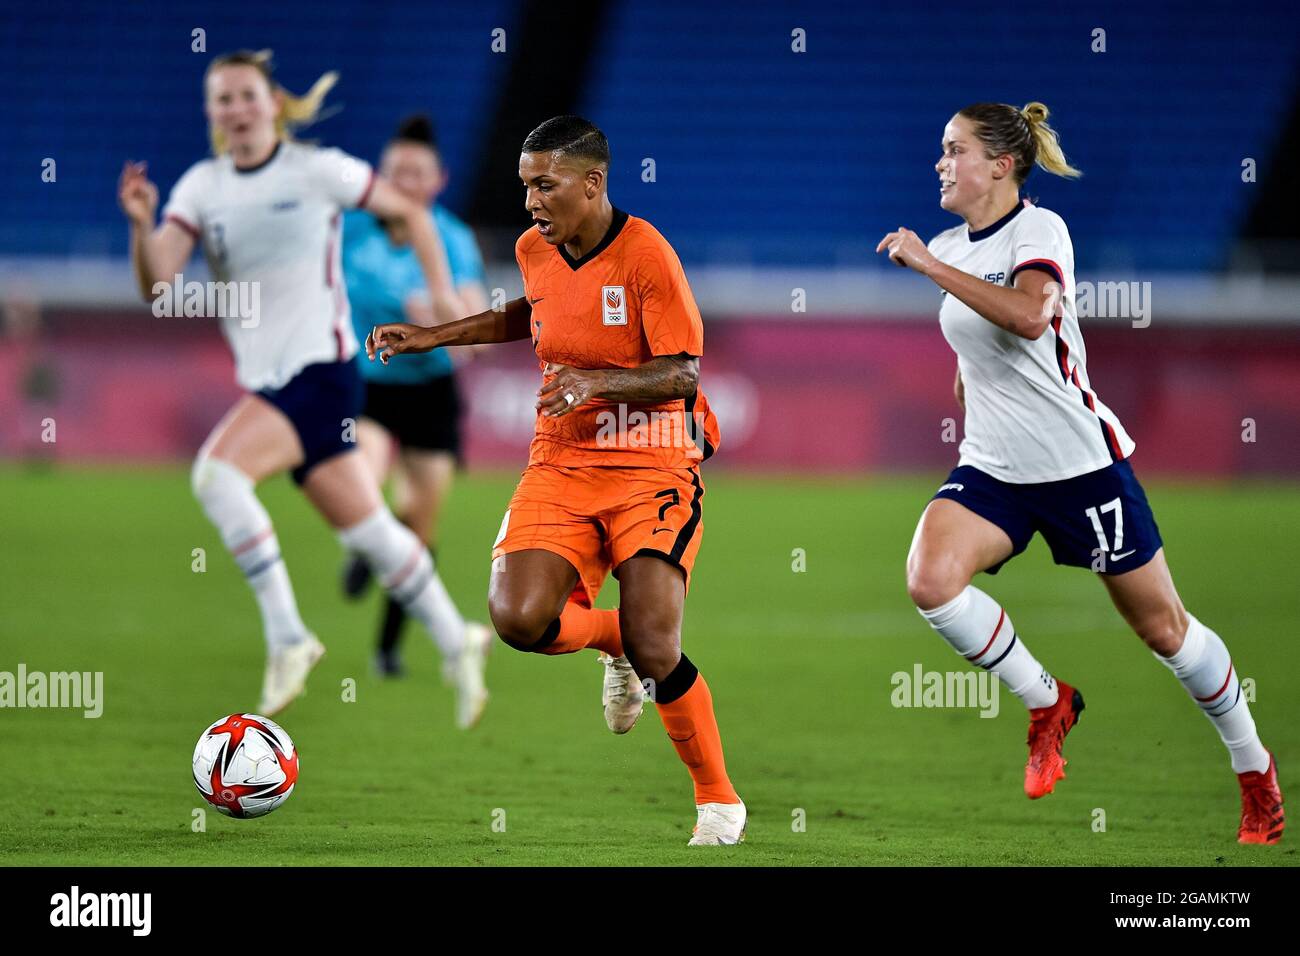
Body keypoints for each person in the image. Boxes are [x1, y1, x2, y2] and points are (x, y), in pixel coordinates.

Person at [877, 101, 1283, 844]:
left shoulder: (1041, 230)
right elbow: (984, 345)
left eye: (954, 149)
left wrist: (928, 266)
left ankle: (1254, 770)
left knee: (1165, 631)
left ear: (1001, 164)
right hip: (995, 468)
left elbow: (1032, 317)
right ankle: (1047, 701)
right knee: (929, 579)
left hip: (1078, 469)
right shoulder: (948, 244)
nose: (940, 162)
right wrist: (969, 381)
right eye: (942, 149)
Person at [368, 115, 746, 846]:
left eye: (545, 184)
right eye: (525, 186)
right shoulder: (533, 248)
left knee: (660, 647)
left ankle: (717, 800)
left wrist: (594, 384)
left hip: (653, 461)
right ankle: (614, 643)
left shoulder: (647, 256)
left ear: (593, 183)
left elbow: (682, 373)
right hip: (563, 459)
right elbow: (529, 311)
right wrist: (435, 335)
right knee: (516, 618)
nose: (531, 200)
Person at [117, 50, 489, 728]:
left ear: (273, 103)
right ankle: (456, 637)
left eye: (246, 95)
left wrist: (439, 294)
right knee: (371, 529)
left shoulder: (319, 171)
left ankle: (288, 636)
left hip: (320, 371)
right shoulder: (202, 186)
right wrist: (143, 226)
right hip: (276, 378)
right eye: (222, 98)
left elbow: (412, 209)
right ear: (211, 112)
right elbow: (157, 286)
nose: (236, 108)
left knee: (216, 477)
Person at [339, 114, 490, 678]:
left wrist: (446, 322)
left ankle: (387, 649)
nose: (404, 181)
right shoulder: (352, 229)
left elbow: (472, 310)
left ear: (439, 180)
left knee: (418, 528)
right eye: (395, 171)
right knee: (365, 479)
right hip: (367, 386)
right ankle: (359, 544)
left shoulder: (450, 238)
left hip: (430, 391)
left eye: (416, 172)